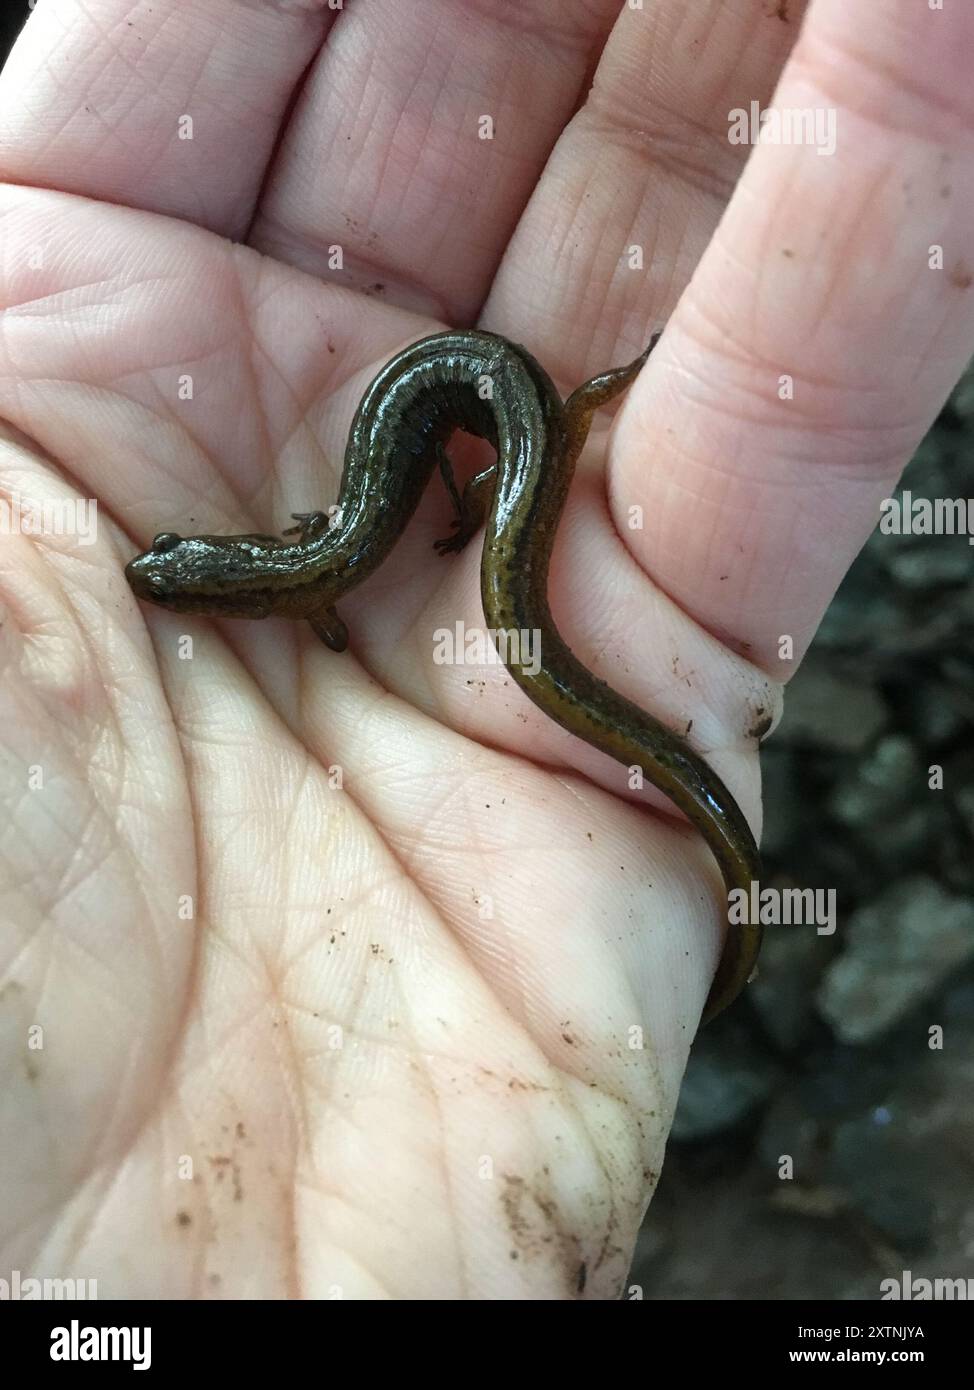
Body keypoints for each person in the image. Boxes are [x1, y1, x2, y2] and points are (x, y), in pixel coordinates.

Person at [0, 0, 970, 1299]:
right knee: (483, 523)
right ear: (220, 587)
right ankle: (563, 479)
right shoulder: (310, 578)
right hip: (489, 404)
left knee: (492, 503)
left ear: (240, 600)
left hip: (494, 398)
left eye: (179, 575)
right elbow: (326, 563)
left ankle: (558, 455)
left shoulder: (314, 593)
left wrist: (455, 513)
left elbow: (331, 582)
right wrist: (453, 512)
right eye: (180, 580)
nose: (172, 579)